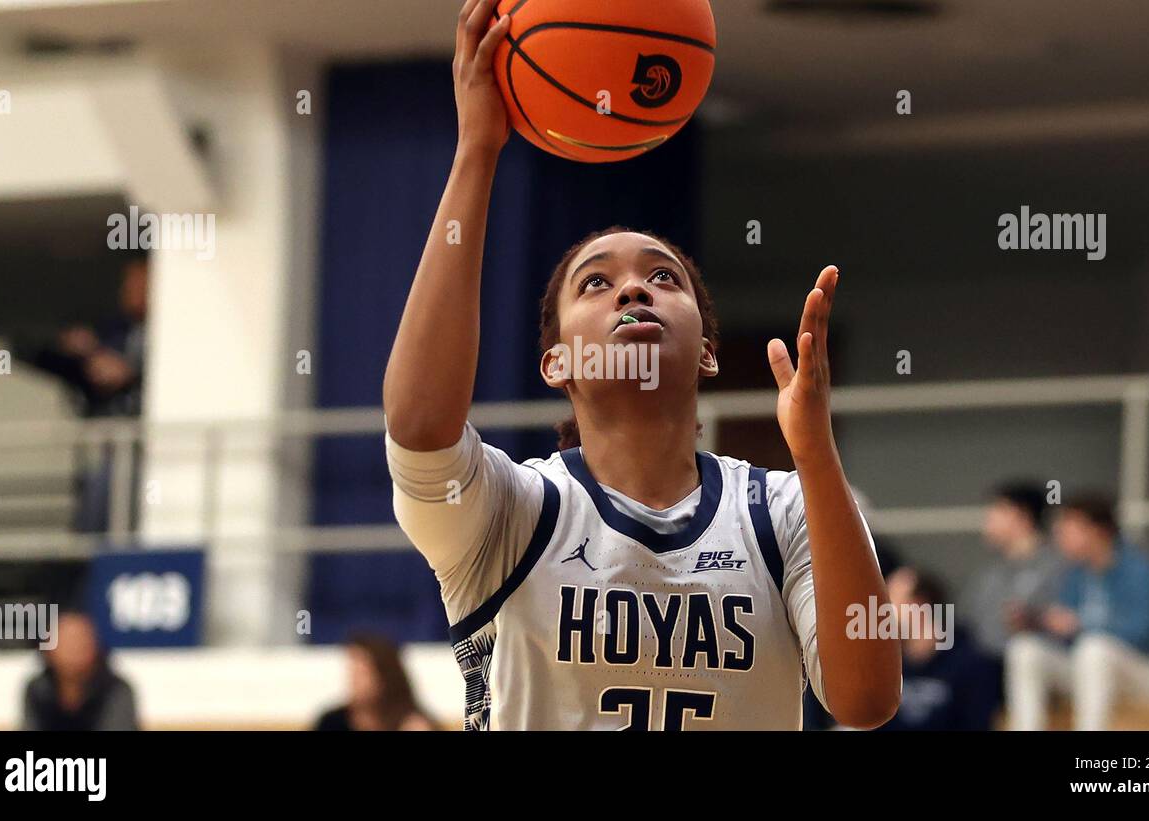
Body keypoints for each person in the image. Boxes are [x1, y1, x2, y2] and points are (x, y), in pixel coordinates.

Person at [379, 0, 901, 731]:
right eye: (596, 281)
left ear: (709, 351)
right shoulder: (512, 512)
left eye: (664, 277)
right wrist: (477, 150)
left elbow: (867, 699)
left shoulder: (782, 511)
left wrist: (814, 454)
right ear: (557, 361)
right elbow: (418, 425)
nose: (632, 287)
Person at [1005, 493, 1149, 730]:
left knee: (1094, 650)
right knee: (1025, 649)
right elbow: (1069, 637)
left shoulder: (1137, 570)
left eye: (1067, 529)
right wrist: (1043, 624)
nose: (1059, 536)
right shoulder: (1075, 575)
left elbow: (1146, 633)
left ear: (1097, 530)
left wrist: (1081, 625)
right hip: (1092, 670)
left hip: (1145, 673)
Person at [14, 252, 149, 533]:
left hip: (156, 452)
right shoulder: (110, 331)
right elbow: (20, 346)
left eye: (142, 282)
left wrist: (132, 375)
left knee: (117, 485)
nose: (132, 292)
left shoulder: (179, 330)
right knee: (99, 490)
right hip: (107, 449)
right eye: (129, 284)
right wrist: (75, 346)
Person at [964, 482, 1066, 699]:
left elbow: (1068, 628)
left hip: (1037, 665)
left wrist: (1032, 620)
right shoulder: (990, 573)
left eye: (996, 511)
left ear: (1022, 516)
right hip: (984, 665)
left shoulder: (1060, 566)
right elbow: (971, 625)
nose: (987, 520)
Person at [877, 569, 999, 731]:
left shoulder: (971, 662)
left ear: (918, 604)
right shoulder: (885, 666)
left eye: (891, 599)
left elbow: (977, 721)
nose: (881, 610)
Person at [21, 611, 139, 731]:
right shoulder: (38, 690)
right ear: (47, 649)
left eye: (81, 640)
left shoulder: (117, 690)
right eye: (66, 642)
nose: (75, 649)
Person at [314, 634, 437, 731]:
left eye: (361, 673)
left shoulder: (411, 723)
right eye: (351, 671)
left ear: (384, 676)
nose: (354, 681)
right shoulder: (332, 723)